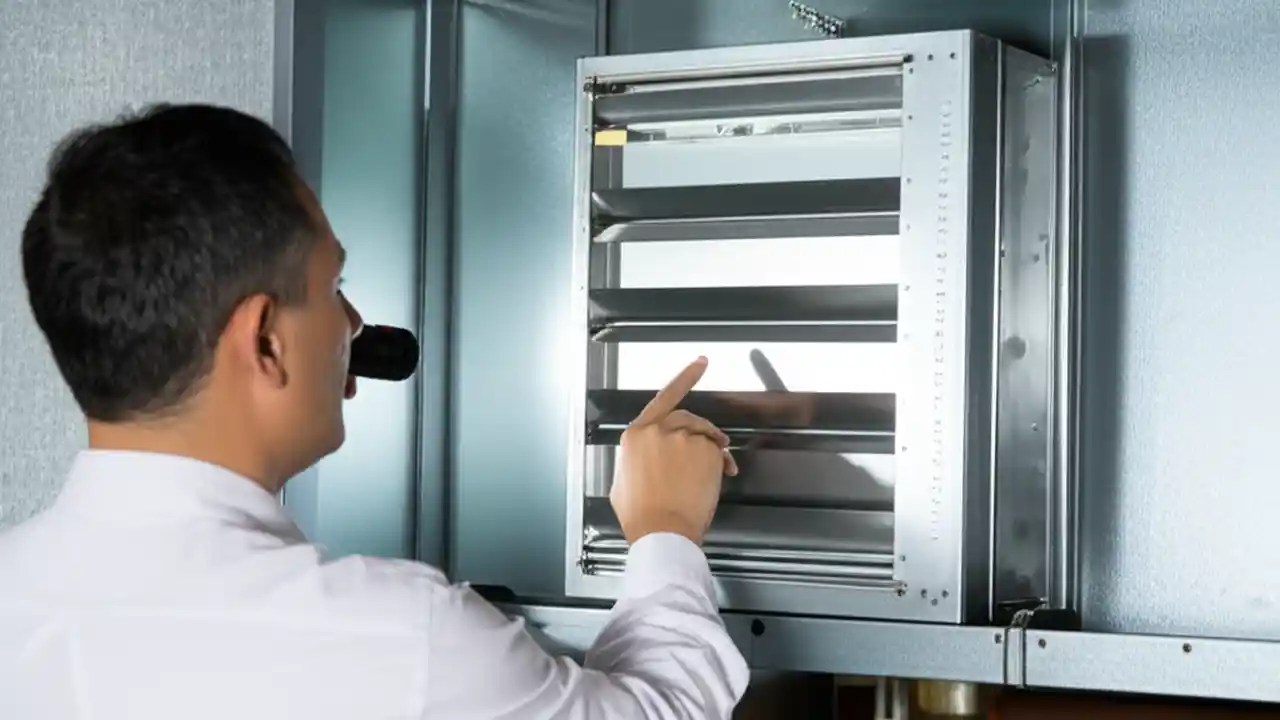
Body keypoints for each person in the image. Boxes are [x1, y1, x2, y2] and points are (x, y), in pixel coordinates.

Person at [0, 104, 749, 719]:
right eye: (334, 288)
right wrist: (665, 533)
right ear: (265, 339)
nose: (353, 323)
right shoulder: (400, 641)